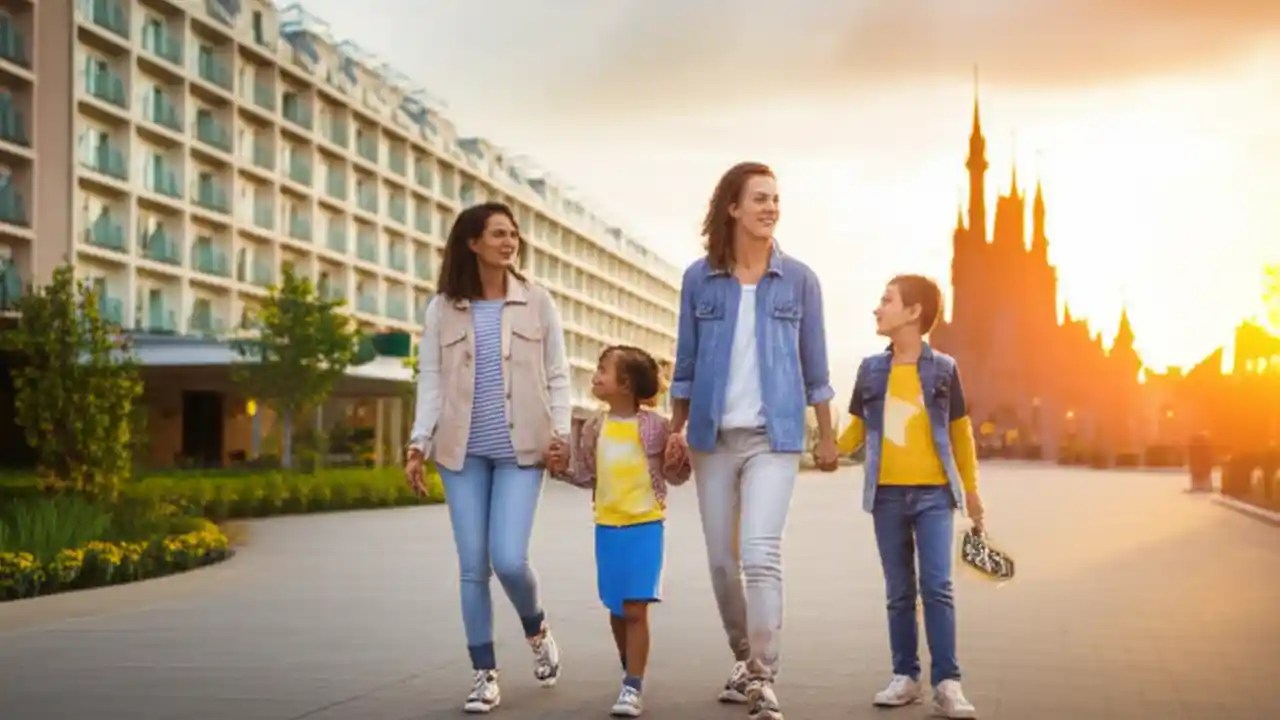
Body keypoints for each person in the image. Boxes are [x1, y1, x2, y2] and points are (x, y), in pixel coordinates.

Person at [664, 161, 839, 720]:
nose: (770, 207)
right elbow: (686, 364)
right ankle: (743, 657)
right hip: (712, 438)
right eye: (759, 198)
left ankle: (764, 675)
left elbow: (816, 367)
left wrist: (827, 435)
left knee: (762, 555)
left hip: (775, 436)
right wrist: (676, 429)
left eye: (776, 199)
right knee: (722, 562)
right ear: (733, 208)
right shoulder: (699, 278)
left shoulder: (801, 280)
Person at [404, 202, 571, 714]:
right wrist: (418, 441)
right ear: (472, 242)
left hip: (523, 452)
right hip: (461, 453)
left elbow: (559, 375)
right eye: (498, 233)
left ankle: (536, 628)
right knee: (473, 567)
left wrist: (561, 434)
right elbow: (430, 379)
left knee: (509, 560)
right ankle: (484, 673)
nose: (509, 241)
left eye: (513, 234)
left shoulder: (537, 302)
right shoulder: (442, 308)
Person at [837, 274, 984, 719]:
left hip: (934, 495)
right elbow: (855, 432)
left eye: (886, 300)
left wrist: (972, 492)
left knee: (937, 587)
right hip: (886, 496)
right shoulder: (870, 370)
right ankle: (905, 677)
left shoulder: (944, 369)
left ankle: (947, 683)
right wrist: (821, 449)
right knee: (899, 591)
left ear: (914, 312)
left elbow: (961, 433)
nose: (877, 308)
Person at [554, 345, 692, 717]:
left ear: (626, 384)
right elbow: (585, 475)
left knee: (635, 608)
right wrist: (558, 468)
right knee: (616, 609)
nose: (595, 376)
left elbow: (676, 475)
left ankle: (633, 684)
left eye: (603, 370)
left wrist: (682, 453)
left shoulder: (656, 427)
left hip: (646, 524)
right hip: (607, 526)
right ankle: (627, 664)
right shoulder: (594, 428)